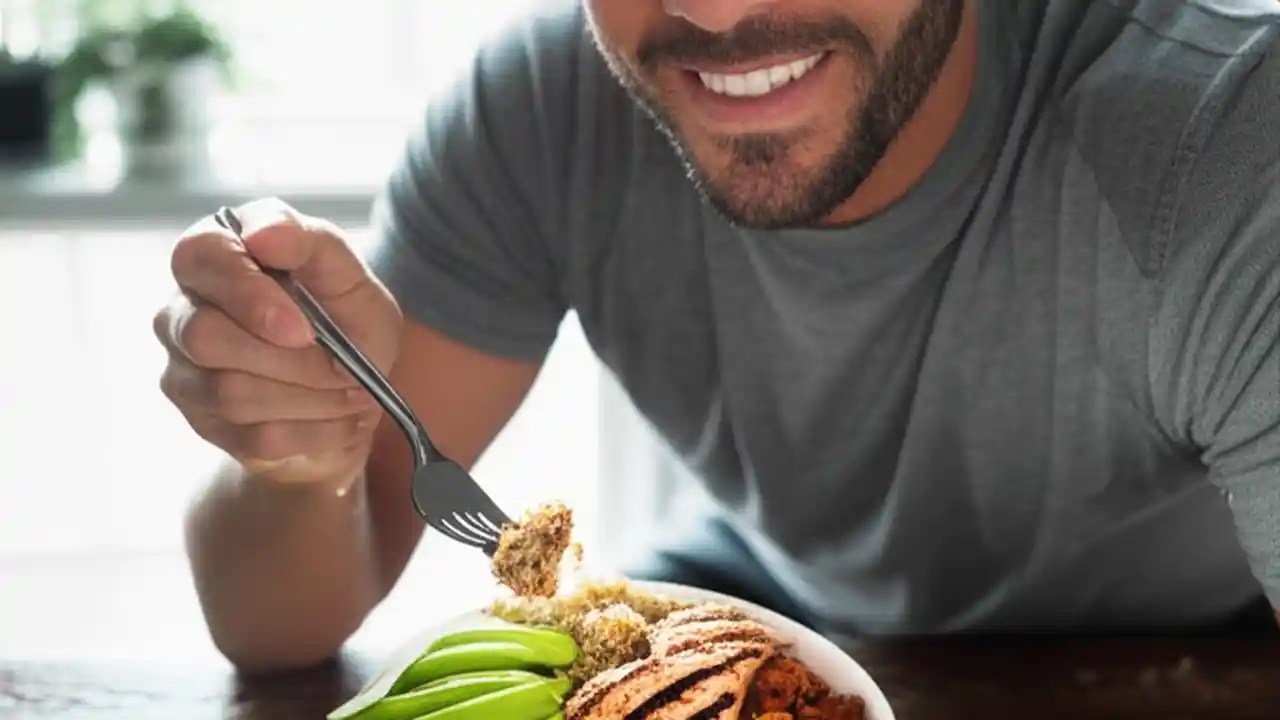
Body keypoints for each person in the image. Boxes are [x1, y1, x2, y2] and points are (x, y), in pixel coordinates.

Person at [153, 0, 1280, 671]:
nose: (715, 9)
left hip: (1181, 654)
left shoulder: (1224, 135)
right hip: (763, 611)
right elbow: (279, 631)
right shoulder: (542, 109)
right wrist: (300, 461)